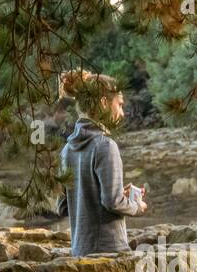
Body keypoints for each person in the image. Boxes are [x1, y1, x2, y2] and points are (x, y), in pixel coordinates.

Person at [55, 69, 148, 256]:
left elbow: (63, 207)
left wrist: (117, 193)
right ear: (104, 103)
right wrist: (137, 206)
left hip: (80, 252)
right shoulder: (105, 146)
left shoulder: (67, 150)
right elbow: (112, 202)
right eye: (119, 105)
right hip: (109, 252)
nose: (122, 113)